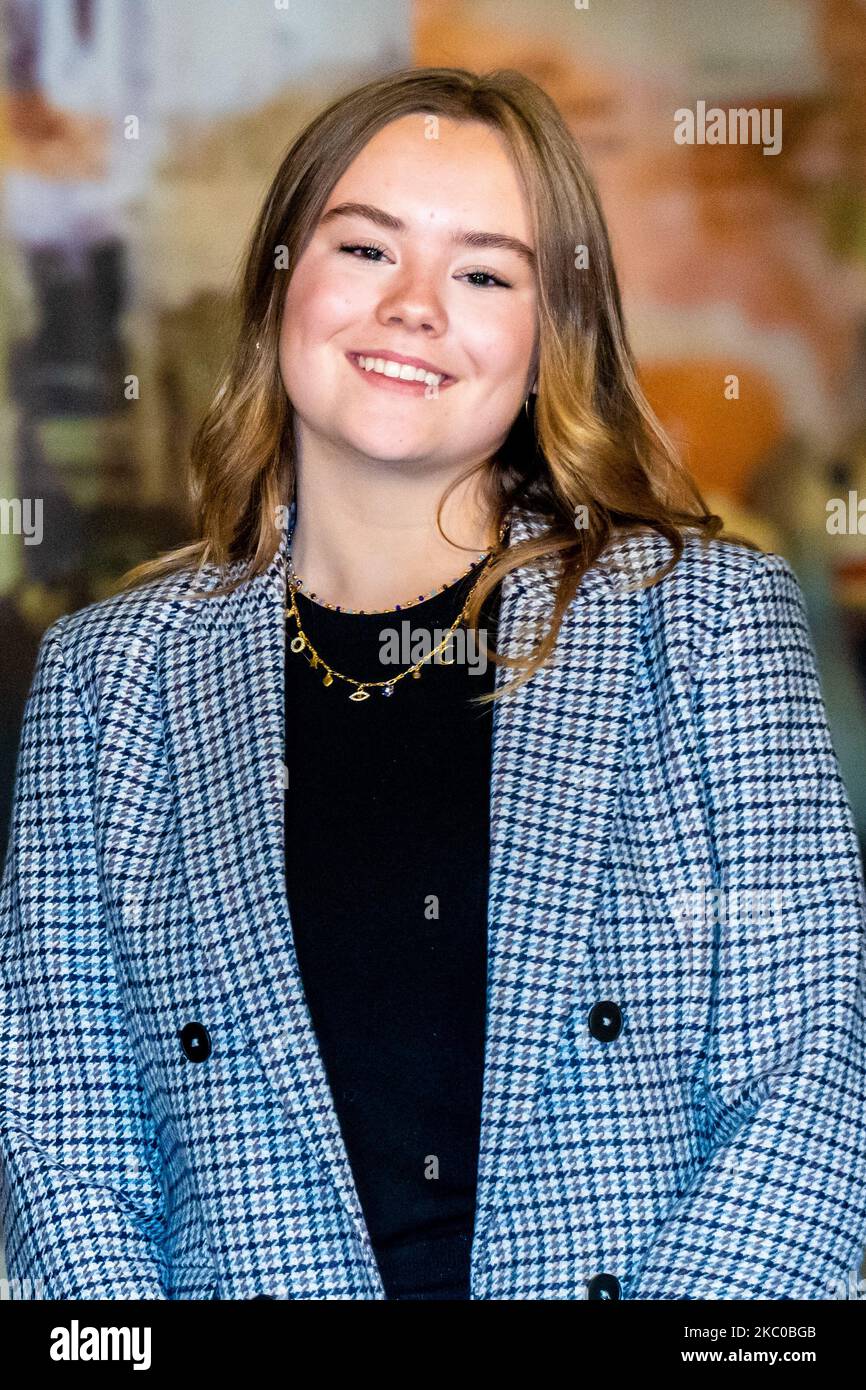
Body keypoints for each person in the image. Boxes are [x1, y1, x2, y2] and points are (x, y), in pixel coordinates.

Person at [2, 66, 865, 1302]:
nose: (413, 307)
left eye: (482, 272)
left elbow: (807, 1084)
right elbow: (62, 1145)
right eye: (366, 249)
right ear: (282, 279)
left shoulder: (708, 627)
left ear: (547, 333)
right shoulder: (108, 679)